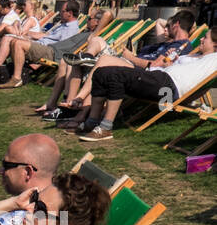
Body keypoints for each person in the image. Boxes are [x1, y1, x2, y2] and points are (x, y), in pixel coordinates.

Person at [78, 28, 217, 141]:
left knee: (115, 76)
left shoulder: (214, 60)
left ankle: (106, 128)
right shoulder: (194, 56)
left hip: (168, 87)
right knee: (101, 72)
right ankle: (92, 121)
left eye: (206, 38)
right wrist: (170, 62)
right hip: (158, 75)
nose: (201, 39)